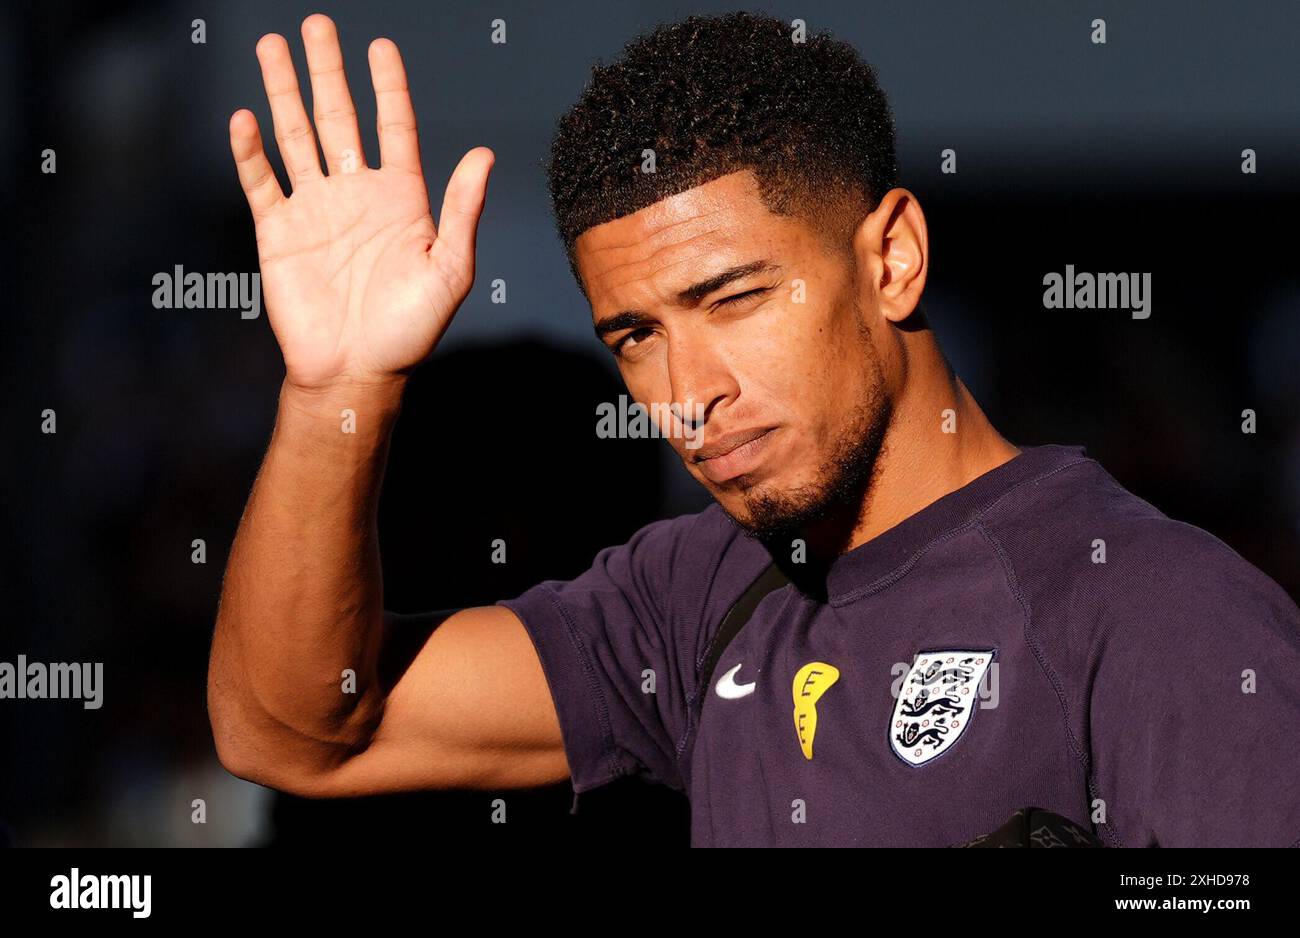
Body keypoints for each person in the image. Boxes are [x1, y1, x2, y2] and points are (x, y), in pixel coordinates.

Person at [208, 11, 1300, 847]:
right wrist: (335, 388)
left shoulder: (1156, 611)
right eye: (634, 334)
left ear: (892, 257)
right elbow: (293, 732)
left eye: (732, 298)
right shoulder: (691, 593)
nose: (686, 387)